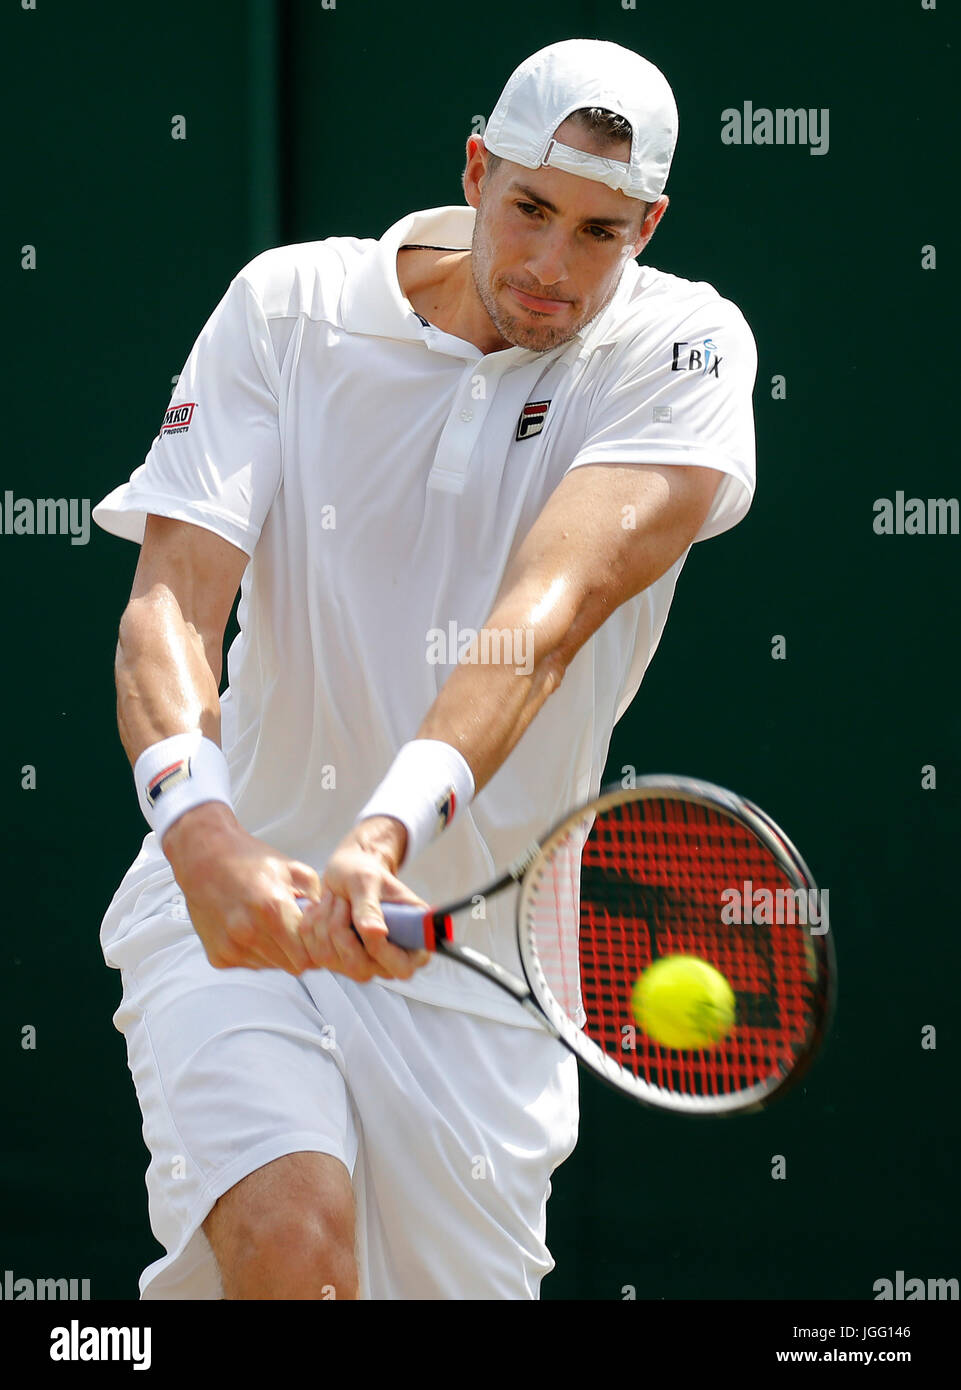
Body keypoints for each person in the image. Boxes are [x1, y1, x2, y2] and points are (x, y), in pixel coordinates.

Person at [93, 38, 757, 1300]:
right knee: (293, 1247)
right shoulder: (288, 307)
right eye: (527, 210)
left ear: (649, 225)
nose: (552, 267)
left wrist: (389, 828)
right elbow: (169, 608)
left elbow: (542, 617)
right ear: (473, 167)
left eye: (600, 233)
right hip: (242, 917)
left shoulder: (686, 352)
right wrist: (201, 835)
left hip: (478, 984)